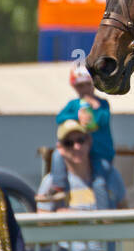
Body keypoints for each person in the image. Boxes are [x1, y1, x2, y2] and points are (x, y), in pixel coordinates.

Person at [36, 120, 130, 251]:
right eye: (69, 143)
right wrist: (64, 217)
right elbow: (40, 225)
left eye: (81, 140)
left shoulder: (109, 176)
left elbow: (125, 210)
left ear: (89, 142)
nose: (77, 147)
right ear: (59, 148)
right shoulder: (52, 183)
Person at [47, 64, 116, 202]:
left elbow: (102, 120)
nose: (84, 89)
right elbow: (59, 117)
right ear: (75, 87)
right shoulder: (74, 105)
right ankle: (58, 187)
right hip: (79, 151)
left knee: (99, 182)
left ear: (94, 84)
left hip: (100, 153)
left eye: (87, 84)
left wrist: (94, 111)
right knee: (57, 155)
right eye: (80, 86)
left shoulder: (102, 104)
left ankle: (104, 215)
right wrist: (76, 117)